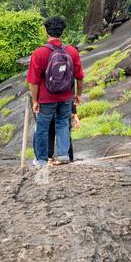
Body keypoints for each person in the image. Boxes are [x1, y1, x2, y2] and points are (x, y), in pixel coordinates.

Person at [26, 15, 84, 166]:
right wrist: (78, 95)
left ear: (47, 32)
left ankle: (42, 160)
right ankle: (64, 156)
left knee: (42, 128)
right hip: (65, 97)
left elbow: (33, 81)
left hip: (46, 99)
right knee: (63, 123)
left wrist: (34, 100)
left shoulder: (39, 53)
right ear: (62, 32)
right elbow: (79, 77)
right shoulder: (72, 51)